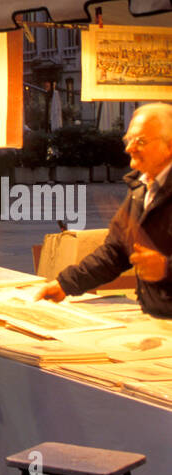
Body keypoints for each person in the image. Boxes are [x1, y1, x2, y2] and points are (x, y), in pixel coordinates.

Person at [37, 103, 172, 316]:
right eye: (128, 140)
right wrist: (65, 284)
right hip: (156, 321)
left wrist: (166, 268)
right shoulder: (140, 188)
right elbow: (115, 253)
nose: (129, 148)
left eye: (141, 141)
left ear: (169, 146)